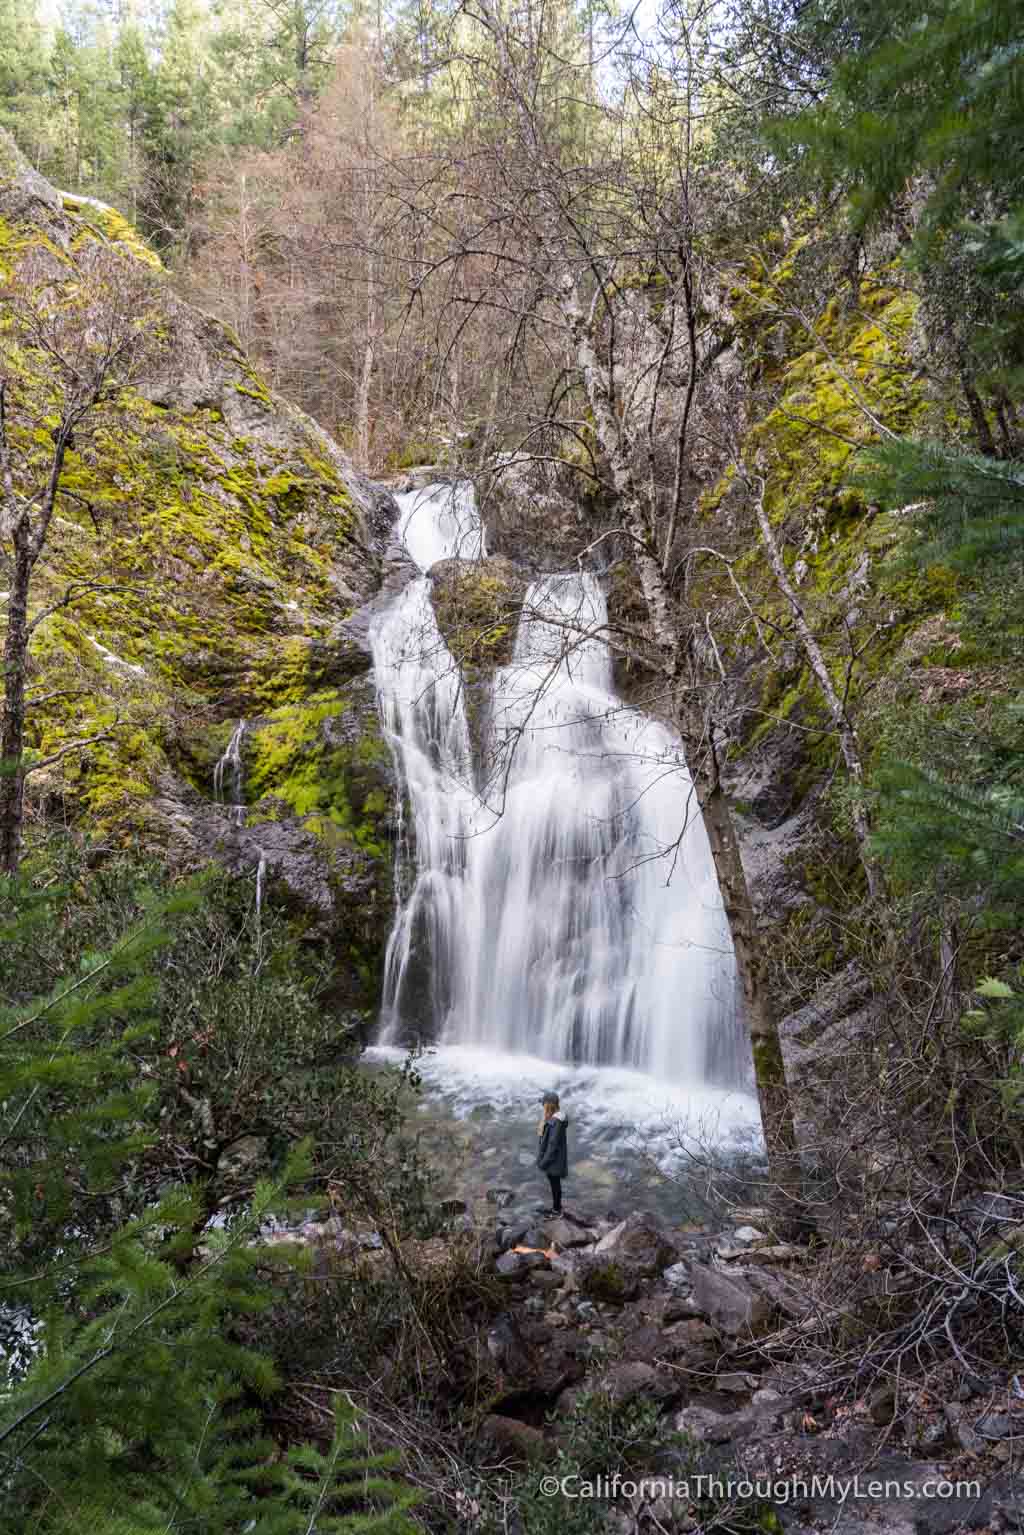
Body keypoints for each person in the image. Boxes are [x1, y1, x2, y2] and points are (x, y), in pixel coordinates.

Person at [536, 1091, 568, 1216]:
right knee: (554, 1183)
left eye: (543, 1104)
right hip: (553, 1159)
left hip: (554, 1160)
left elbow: (552, 1145)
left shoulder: (556, 1122)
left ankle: (557, 1210)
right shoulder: (552, 1119)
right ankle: (556, 1207)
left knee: (555, 1184)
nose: (542, 1106)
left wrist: (543, 1162)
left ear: (548, 1106)